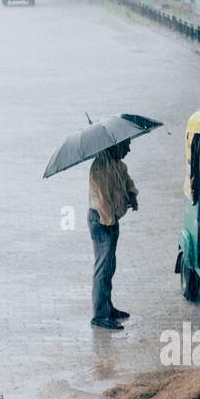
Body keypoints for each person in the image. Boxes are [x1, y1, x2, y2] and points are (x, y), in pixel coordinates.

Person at [87, 139, 139, 330]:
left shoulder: (117, 165)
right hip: (102, 220)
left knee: (110, 266)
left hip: (111, 220)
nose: (128, 149)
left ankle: (107, 308)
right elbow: (101, 200)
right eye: (126, 145)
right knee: (103, 266)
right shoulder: (100, 168)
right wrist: (109, 222)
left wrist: (132, 195)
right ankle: (100, 314)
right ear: (116, 145)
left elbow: (127, 181)